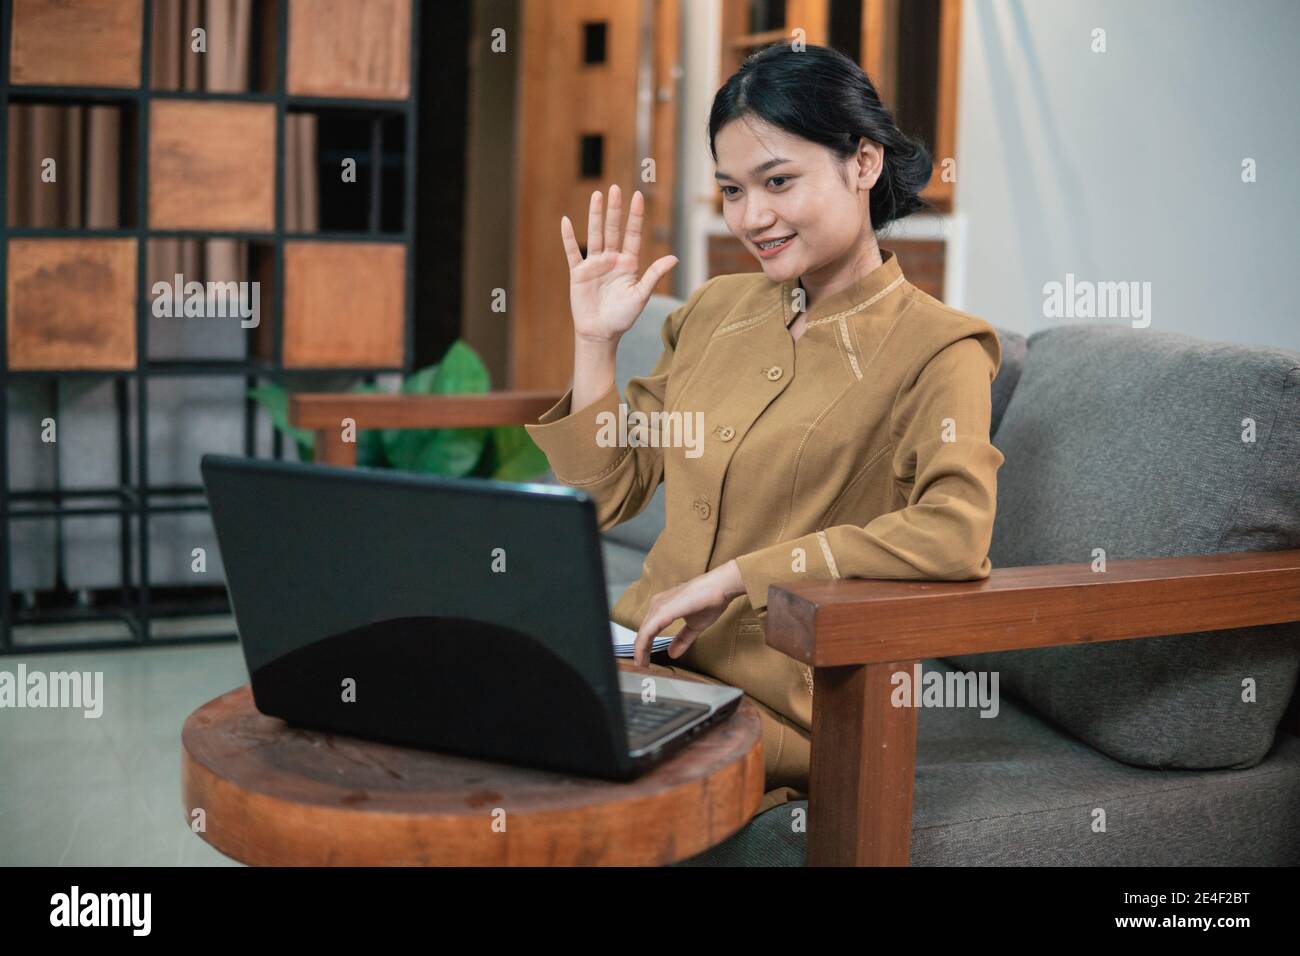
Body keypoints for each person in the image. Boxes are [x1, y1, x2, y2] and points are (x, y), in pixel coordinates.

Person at [524, 43, 1003, 816]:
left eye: (778, 182)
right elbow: (606, 492)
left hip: (782, 710)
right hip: (639, 664)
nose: (752, 218)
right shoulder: (715, 310)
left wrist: (740, 580)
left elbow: (955, 533)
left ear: (864, 163)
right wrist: (595, 343)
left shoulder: (940, 346)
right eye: (731, 190)